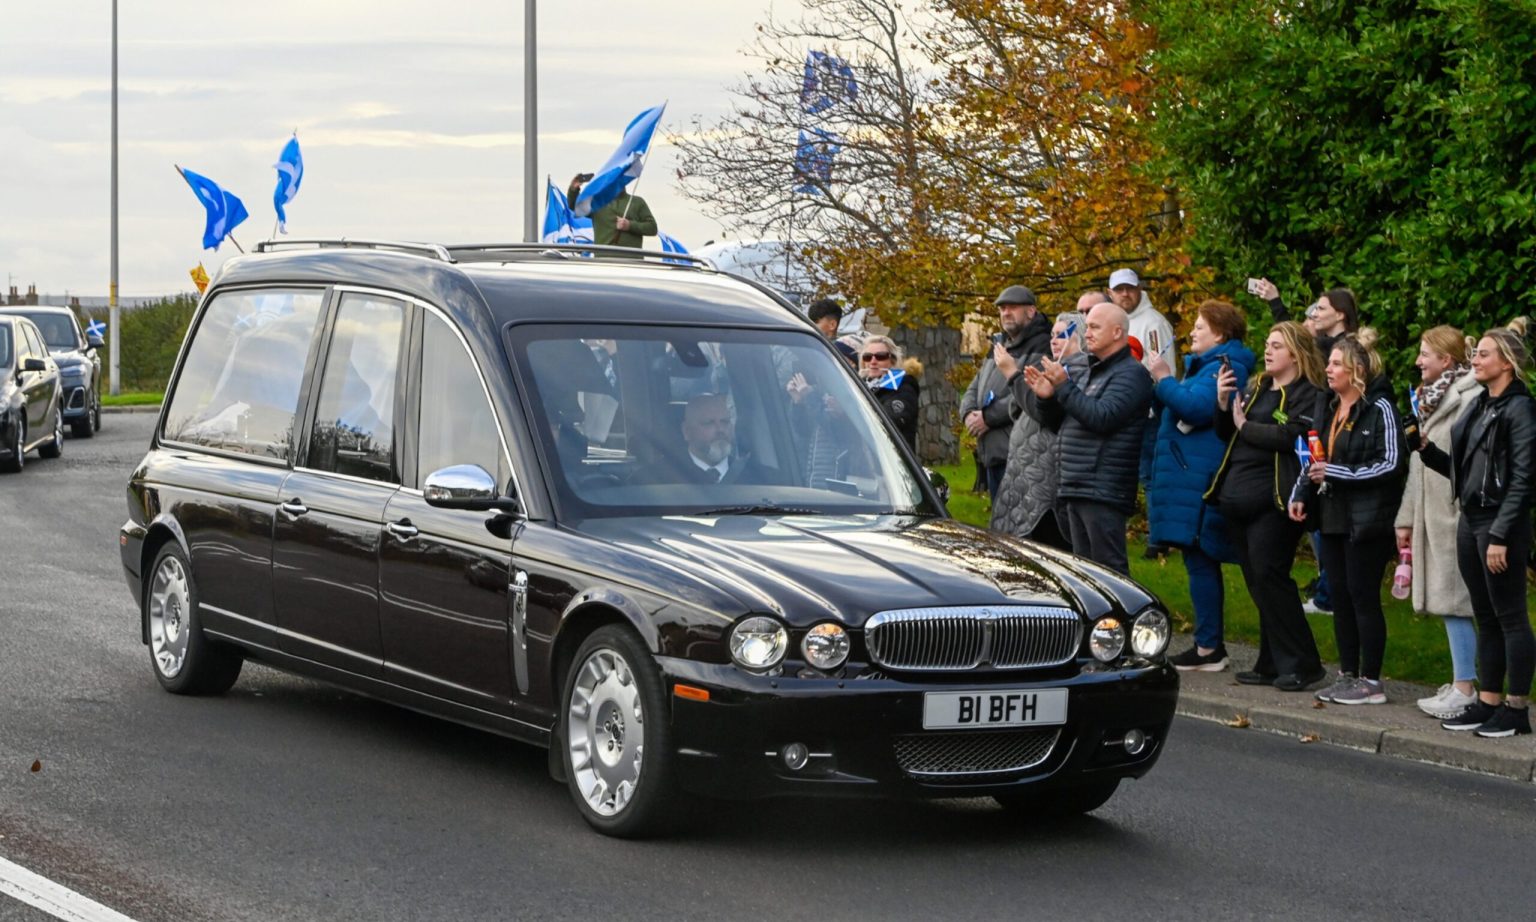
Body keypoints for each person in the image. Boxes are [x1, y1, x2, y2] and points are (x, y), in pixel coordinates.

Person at [1418, 319, 1536, 738]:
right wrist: (1426, 450)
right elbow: (1463, 467)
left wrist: (1501, 535)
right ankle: (1487, 703)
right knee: (1485, 616)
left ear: (1507, 363)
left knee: (1510, 617)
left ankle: (1516, 709)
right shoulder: (1482, 404)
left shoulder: (1520, 408)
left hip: (1499, 522)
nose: (1476, 360)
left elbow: (1523, 478)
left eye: (1484, 354)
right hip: (1471, 519)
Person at [1288, 330, 1407, 705]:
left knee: (1361, 595)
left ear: (1356, 369)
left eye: (1336, 363)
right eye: (1329, 363)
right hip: (1333, 516)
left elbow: (1391, 463)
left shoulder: (1380, 407)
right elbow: (1314, 458)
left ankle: (1371, 681)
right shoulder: (1327, 406)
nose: (1328, 369)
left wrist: (1339, 474)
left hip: (1367, 520)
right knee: (1339, 595)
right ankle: (1347, 674)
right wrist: (1301, 493)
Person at [1208, 321, 1328, 690]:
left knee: (1270, 576)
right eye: (1267, 343)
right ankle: (1271, 661)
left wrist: (1245, 426)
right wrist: (1224, 403)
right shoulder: (1259, 386)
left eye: (1277, 345)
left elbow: (1293, 435)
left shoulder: (1310, 393)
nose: (1268, 350)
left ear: (1295, 352)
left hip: (1277, 500)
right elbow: (1227, 432)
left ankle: (1303, 663)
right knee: (1258, 582)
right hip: (1237, 498)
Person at [1146, 300, 1257, 672]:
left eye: (1199, 326)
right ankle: (1208, 645)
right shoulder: (1208, 366)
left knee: (1204, 559)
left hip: (1201, 476)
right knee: (1198, 560)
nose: (1191, 332)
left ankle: (1211, 648)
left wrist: (1163, 378)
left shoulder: (1227, 367)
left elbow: (1195, 408)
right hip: (1190, 475)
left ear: (1220, 333)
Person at [1022, 302, 1154, 575]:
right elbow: (1061, 424)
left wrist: (1063, 386)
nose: (1087, 333)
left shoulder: (1132, 374)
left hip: (1103, 487)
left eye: (1094, 326)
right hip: (1075, 483)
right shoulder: (1094, 369)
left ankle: (1122, 618)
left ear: (1117, 332)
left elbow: (1102, 418)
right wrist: (1047, 398)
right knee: (1086, 572)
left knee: (1109, 572)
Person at [1395, 327, 1481, 719]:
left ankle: (1467, 686)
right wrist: (1407, 517)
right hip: (1433, 513)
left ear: (1446, 360)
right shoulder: (1430, 398)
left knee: (1457, 601)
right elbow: (1419, 459)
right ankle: (1462, 679)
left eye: (1425, 354)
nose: (1418, 360)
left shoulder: (1468, 397)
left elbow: (1465, 461)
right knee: (1450, 601)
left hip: (1456, 513)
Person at [991, 312, 1089, 549]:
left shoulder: (1079, 371)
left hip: (1045, 482)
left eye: (1063, 334)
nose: (1054, 340)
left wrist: (1012, 374)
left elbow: (1044, 414)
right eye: (1052, 335)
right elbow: (1022, 408)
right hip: (1025, 473)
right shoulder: (1053, 367)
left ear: (1083, 337)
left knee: (1048, 553)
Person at [960, 285, 1052, 501]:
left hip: (1019, 455)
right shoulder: (999, 345)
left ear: (1031, 311)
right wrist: (968, 413)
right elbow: (975, 385)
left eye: (1012, 307)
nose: (1005, 313)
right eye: (1002, 309)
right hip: (993, 452)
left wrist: (987, 417)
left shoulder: (1043, 345)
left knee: (1017, 530)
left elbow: (1030, 390)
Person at [1109, 268, 1176, 558]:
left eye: (1130, 289)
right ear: (1111, 292)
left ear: (1139, 290)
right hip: (1121, 410)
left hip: (1147, 413)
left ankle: (1158, 537)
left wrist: (1154, 404)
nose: (1125, 294)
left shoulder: (1153, 323)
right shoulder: (1116, 321)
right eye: (1120, 289)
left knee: (1151, 475)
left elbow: (1162, 366)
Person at [672, 393, 766, 484]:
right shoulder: (664, 476)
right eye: (708, 423)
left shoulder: (761, 478)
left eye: (725, 422)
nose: (720, 429)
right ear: (687, 431)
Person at [860, 335, 921, 451]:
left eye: (880, 357)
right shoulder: (858, 385)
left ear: (892, 361)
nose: (873, 362)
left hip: (892, 461)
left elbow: (888, 420)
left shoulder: (904, 385)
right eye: (867, 357)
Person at [567, 175, 657, 248]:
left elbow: (652, 228)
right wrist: (573, 190)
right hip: (603, 260)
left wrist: (630, 225)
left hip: (631, 261)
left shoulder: (637, 202)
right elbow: (574, 207)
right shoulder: (597, 202)